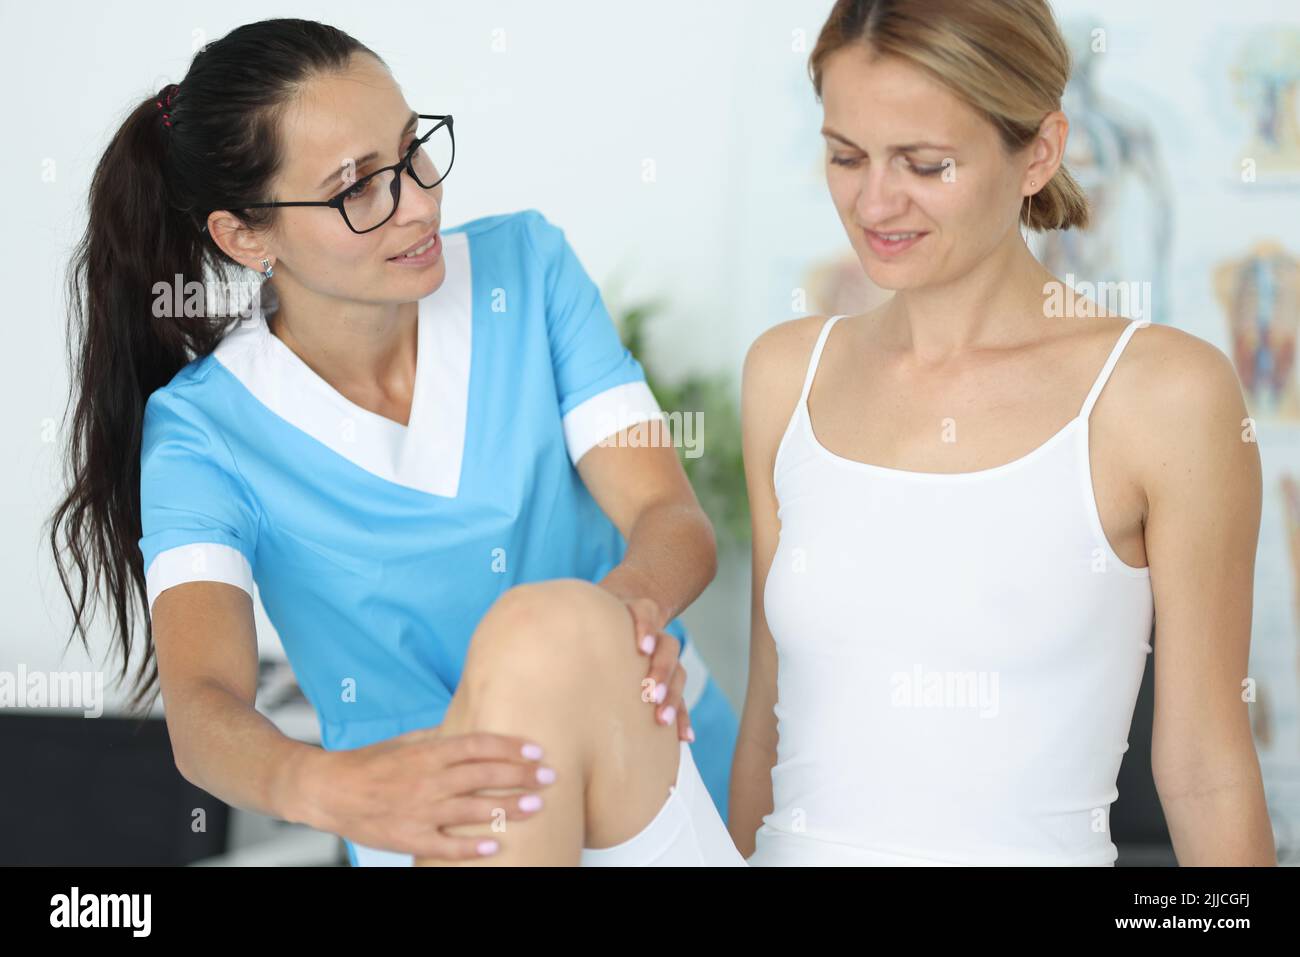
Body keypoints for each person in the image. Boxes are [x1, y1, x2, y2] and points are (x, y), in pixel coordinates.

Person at [50, 17, 740, 866]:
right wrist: (326, 788)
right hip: (439, 824)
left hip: (660, 758)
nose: (418, 202)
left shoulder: (526, 271)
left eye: (414, 151)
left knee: (546, 626)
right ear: (244, 235)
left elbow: (670, 517)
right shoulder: (204, 433)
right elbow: (204, 706)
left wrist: (615, 623)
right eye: (357, 187)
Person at [731, 0, 1275, 865]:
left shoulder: (1161, 393)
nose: (875, 200)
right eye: (846, 156)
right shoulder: (785, 374)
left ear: (1040, 153)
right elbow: (766, 720)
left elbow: (1207, 767)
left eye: (925, 163)